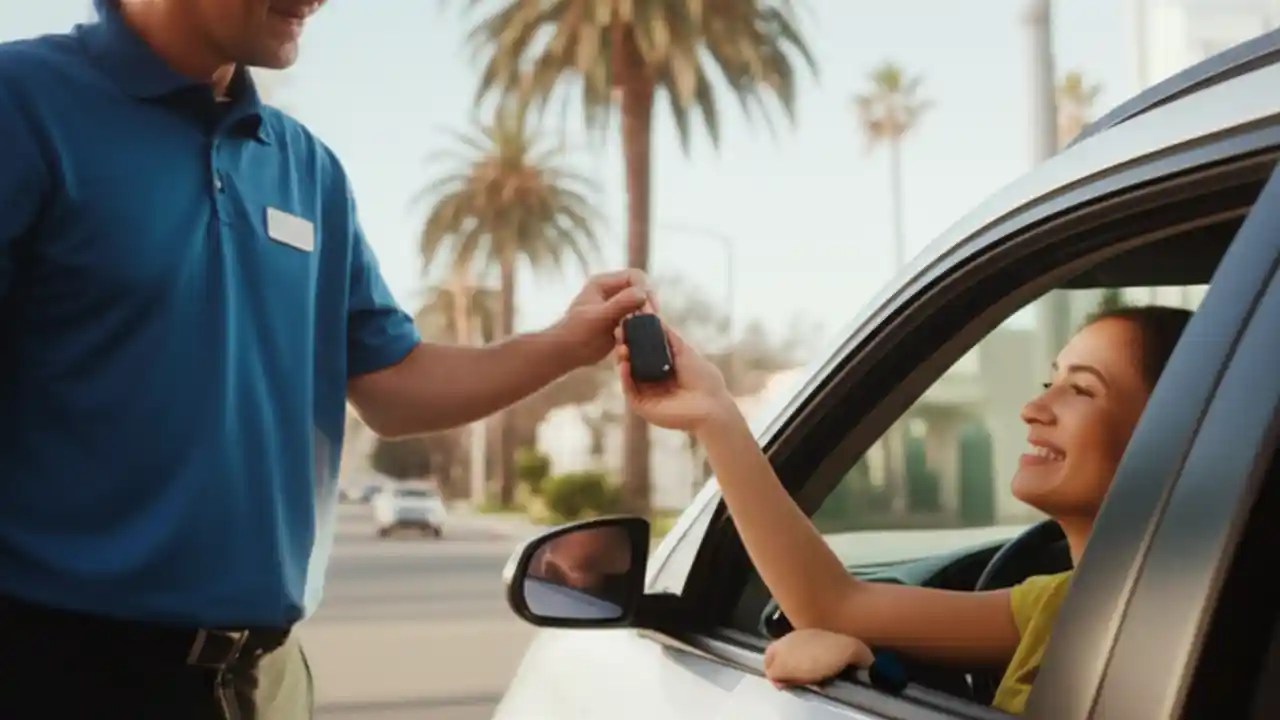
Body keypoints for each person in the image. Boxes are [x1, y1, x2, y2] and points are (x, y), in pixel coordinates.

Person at [0, 1, 651, 716]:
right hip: (58, 672)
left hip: (266, 679)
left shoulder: (307, 169)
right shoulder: (21, 105)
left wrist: (565, 342)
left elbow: (392, 386)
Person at [616, 305, 1192, 715]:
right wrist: (713, 416)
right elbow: (833, 605)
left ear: (1177, 435)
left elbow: (834, 607)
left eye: (1081, 390)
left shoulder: (1172, 616)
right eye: (1050, 381)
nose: (1034, 407)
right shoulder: (1057, 603)